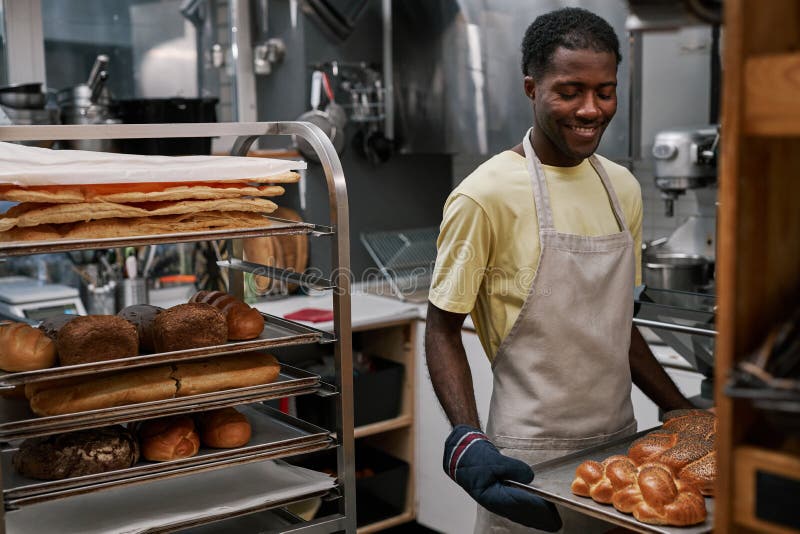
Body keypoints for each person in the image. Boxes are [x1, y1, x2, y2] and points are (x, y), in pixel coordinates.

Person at [425, 7, 696, 533]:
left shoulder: (623, 188)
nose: (591, 109)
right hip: (526, 456)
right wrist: (467, 437)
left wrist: (678, 408)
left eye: (605, 91)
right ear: (531, 88)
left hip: (622, 446)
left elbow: (617, 325)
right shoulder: (485, 195)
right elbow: (442, 328)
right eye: (569, 91)